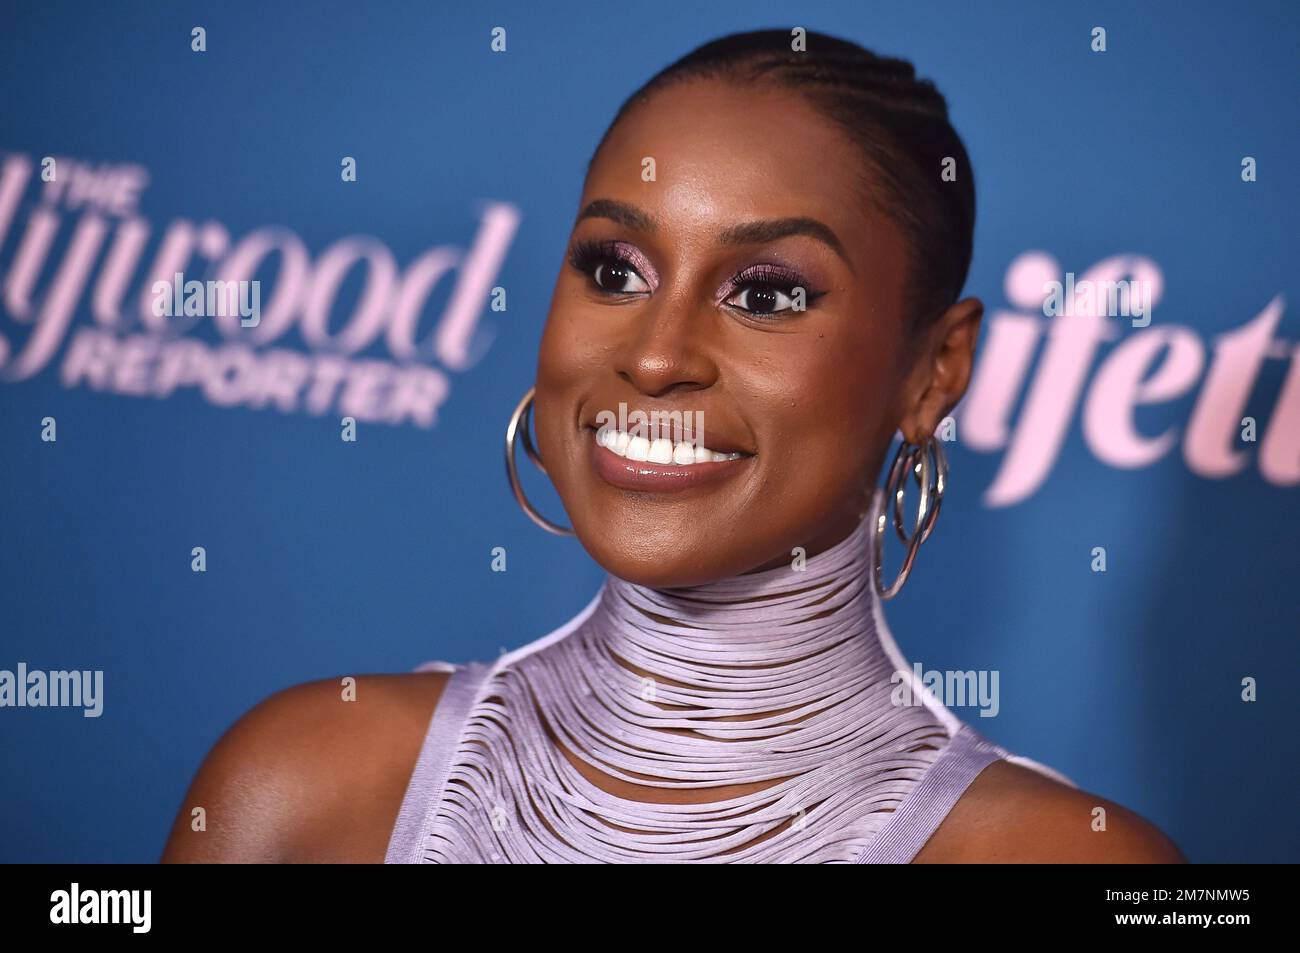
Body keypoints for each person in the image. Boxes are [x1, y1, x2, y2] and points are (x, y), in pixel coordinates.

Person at [162, 29, 1185, 863]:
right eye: (614, 270)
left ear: (934, 372)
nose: (655, 357)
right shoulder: (299, 787)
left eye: (768, 293)